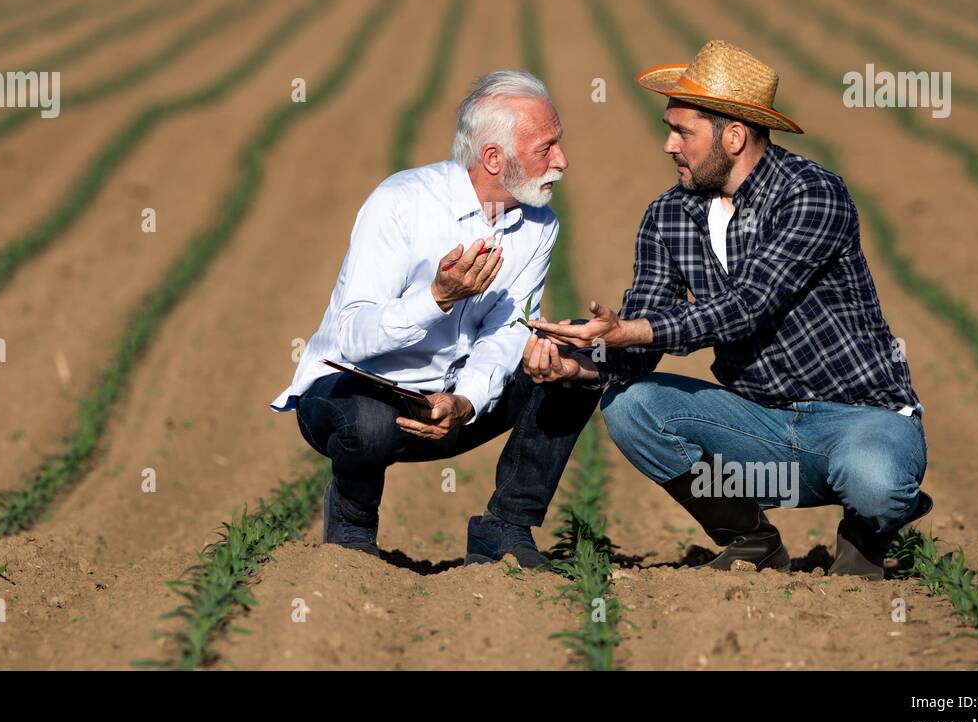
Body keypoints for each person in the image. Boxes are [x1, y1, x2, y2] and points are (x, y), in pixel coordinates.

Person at [524, 40, 931, 579]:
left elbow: (748, 306)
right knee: (632, 406)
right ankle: (751, 538)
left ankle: (872, 520)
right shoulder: (668, 216)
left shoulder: (812, 193)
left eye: (682, 131)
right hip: (762, 428)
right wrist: (578, 362)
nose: (669, 144)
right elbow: (641, 344)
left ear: (733, 136)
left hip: (860, 418)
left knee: (876, 483)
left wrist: (629, 331)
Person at [271, 71, 600, 569]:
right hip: (355, 392)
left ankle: (506, 528)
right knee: (368, 425)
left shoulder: (538, 226)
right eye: (546, 147)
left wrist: (465, 400)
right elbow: (352, 337)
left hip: (451, 403)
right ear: (494, 158)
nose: (561, 161)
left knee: (574, 358)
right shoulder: (401, 203)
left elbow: (507, 330)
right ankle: (353, 529)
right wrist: (438, 298)